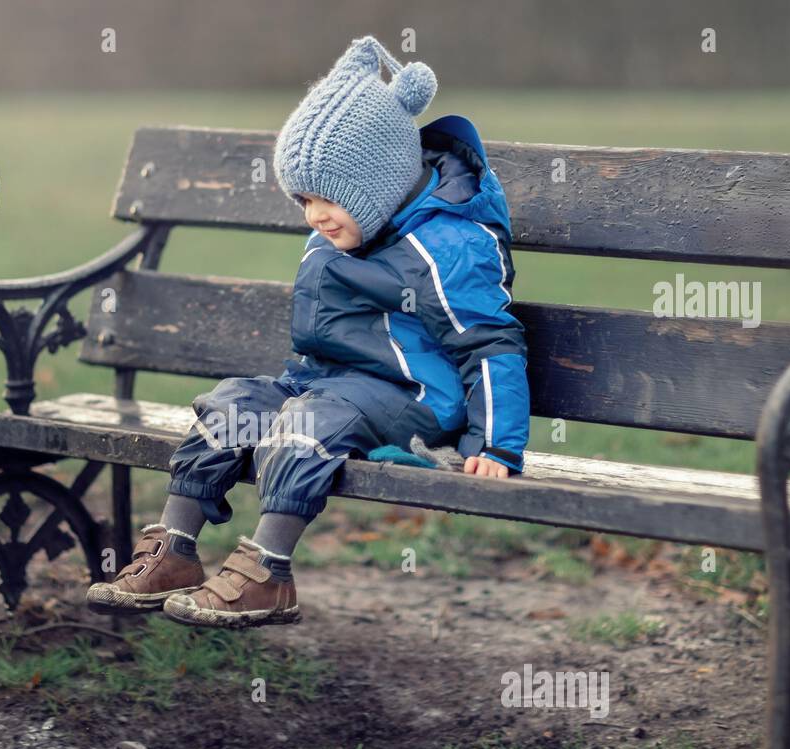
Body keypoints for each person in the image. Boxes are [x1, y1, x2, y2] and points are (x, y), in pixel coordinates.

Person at [87, 35, 529, 629]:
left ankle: (269, 571)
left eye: (328, 198)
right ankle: (176, 552)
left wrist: (495, 445)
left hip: (415, 399)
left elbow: (490, 342)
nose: (313, 215)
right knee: (231, 405)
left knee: (306, 424)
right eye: (303, 199)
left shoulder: (446, 245)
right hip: (329, 384)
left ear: (378, 185)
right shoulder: (342, 233)